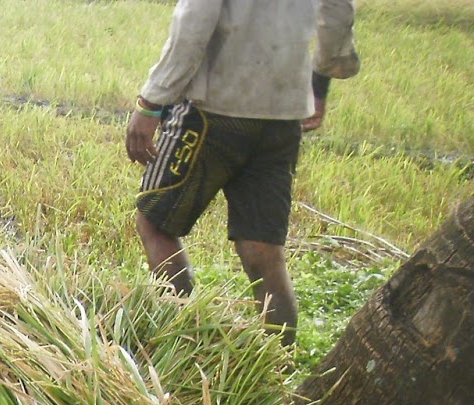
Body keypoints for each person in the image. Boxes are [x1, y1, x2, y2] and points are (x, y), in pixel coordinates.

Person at [125, 0, 358, 344]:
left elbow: (194, 21)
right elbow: (337, 13)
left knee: (155, 222)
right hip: (282, 115)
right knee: (264, 254)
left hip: (213, 110)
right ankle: (279, 374)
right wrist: (318, 85)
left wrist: (151, 102)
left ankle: (182, 345)